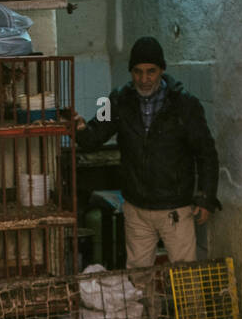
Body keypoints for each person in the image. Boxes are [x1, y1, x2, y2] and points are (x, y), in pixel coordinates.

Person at [76, 36, 221, 268]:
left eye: (151, 71)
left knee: (185, 278)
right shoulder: (117, 101)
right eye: (137, 72)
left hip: (175, 208)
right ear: (131, 71)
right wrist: (80, 128)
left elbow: (206, 153)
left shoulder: (185, 105)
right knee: (138, 278)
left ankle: (186, 307)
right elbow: (95, 135)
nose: (144, 79)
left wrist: (206, 198)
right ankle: (145, 307)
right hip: (137, 209)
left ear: (162, 70)